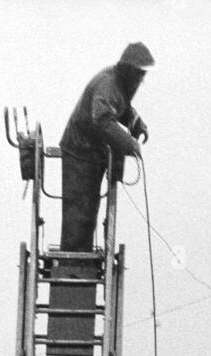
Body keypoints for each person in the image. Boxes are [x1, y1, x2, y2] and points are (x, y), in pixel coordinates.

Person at [59, 42, 154, 252]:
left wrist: (136, 123)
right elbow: (102, 119)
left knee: (89, 212)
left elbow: (121, 108)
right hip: (79, 152)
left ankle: (80, 260)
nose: (141, 80)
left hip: (94, 154)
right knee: (79, 215)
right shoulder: (107, 84)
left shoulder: (119, 86)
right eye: (139, 74)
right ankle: (73, 267)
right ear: (129, 70)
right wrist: (129, 143)